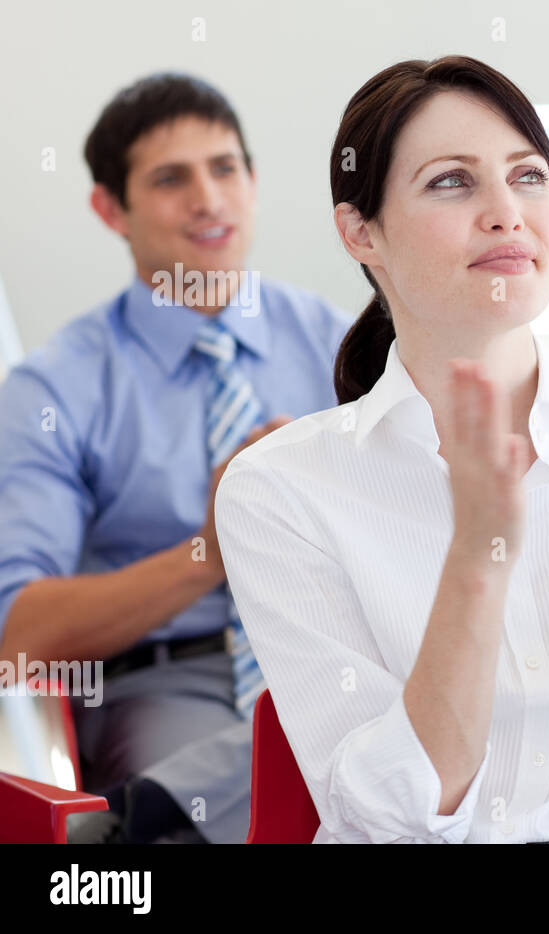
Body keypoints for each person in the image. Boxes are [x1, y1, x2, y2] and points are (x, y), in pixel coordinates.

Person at [213, 56, 549, 844]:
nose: (507, 212)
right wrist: (478, 551)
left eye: (530, 176)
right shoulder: (282, 489)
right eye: (450, 182)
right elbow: (390, 823)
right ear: (360, 232)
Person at [0, 73, 350, 843]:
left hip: (335, 658)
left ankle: (144, 816)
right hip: (164, 683)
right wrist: (211, 550)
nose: (208, 199)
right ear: (109, 209)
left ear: (253, 183)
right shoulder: (53, 388)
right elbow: (16, 633)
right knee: (282, 779)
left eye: (225, 168)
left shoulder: (342, 346)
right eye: (170, 178)